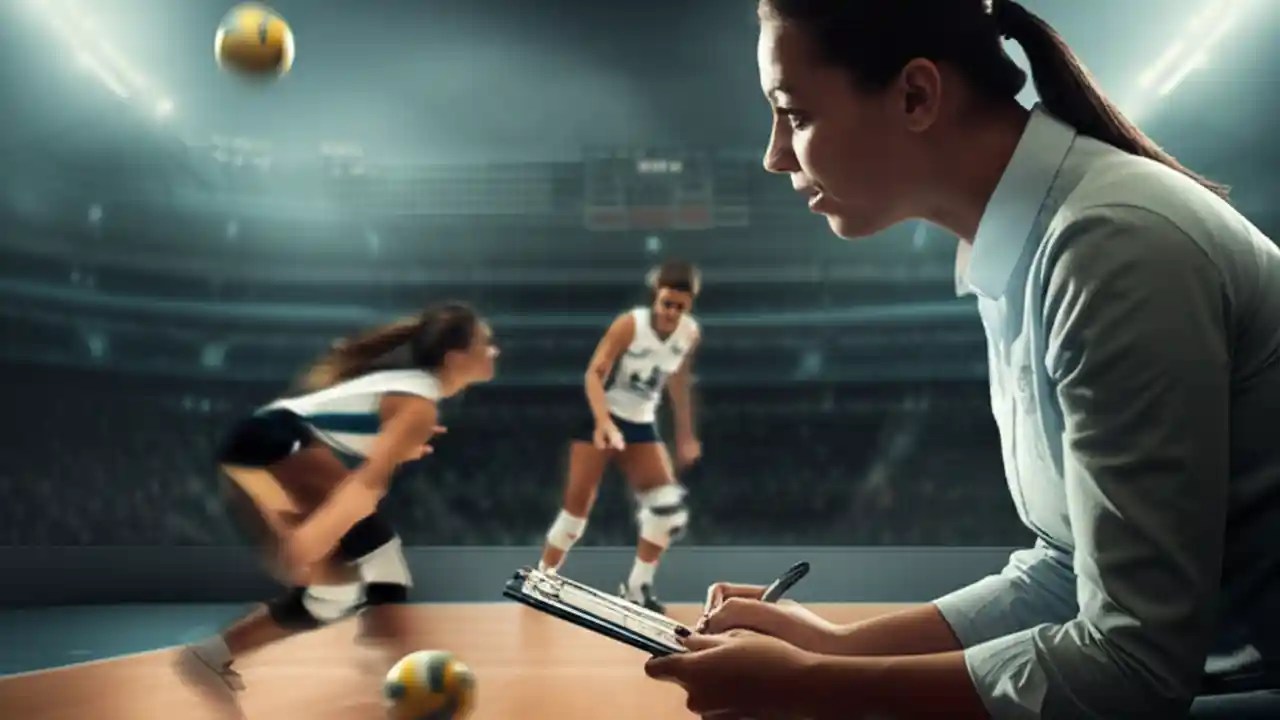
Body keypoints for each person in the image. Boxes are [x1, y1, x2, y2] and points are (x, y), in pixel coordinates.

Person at [644, 1, 1280, 718]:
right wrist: (832, 646)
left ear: (916, 95)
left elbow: (1131, 669)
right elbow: (1067, 571)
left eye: (793, 113)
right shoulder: (1027, 241)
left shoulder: (1111, 248)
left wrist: (809, 684)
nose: (774, 154)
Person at [174, 302, 499, 709]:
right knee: (379, 556)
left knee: (337, 595)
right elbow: (367, 484)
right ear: (455, 357)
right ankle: (411, 683)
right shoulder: (419, 401)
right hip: (271, 440)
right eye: (486, 344)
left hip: (263, 438)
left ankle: (210, 656)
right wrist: (309, 540)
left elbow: (357, 431)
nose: (494, 351)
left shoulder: (415, 391)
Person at [537, 260, 704, 613]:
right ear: (654, 299)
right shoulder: (630, 324)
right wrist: (603, 422)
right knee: (575, 515)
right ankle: (543, 577)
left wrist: (685, 433)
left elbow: (678, 381)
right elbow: (594, 374)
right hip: (602, 413)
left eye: (680, 306)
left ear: (690, 304)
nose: (672, 312)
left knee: (667, 510)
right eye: (666, 303)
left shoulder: (689, 333)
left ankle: (637, 587)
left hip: (640, 422)